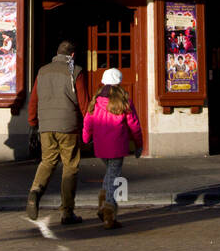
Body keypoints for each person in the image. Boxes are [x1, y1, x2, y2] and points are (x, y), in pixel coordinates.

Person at [25, 40, 89, 225]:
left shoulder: (43, 71)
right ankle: (67, 212)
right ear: (73, 55)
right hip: (67, 125)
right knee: (70, 166)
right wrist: (89, 124)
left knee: (47, 161)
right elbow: (83, 100)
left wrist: (33, 122)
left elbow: (34, 99)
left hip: (46, 126)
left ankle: (35, 191)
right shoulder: (75, 71)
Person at [82, 67, 143, 230]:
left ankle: (103, 207)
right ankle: (109, 212)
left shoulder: (96, 101)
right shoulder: (124, 101)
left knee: (110, 175)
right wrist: (139, 144)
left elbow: (88, 122)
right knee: (113, 178)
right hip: (117, 146)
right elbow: (134, 126)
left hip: (100, 146)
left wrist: (86, 139)